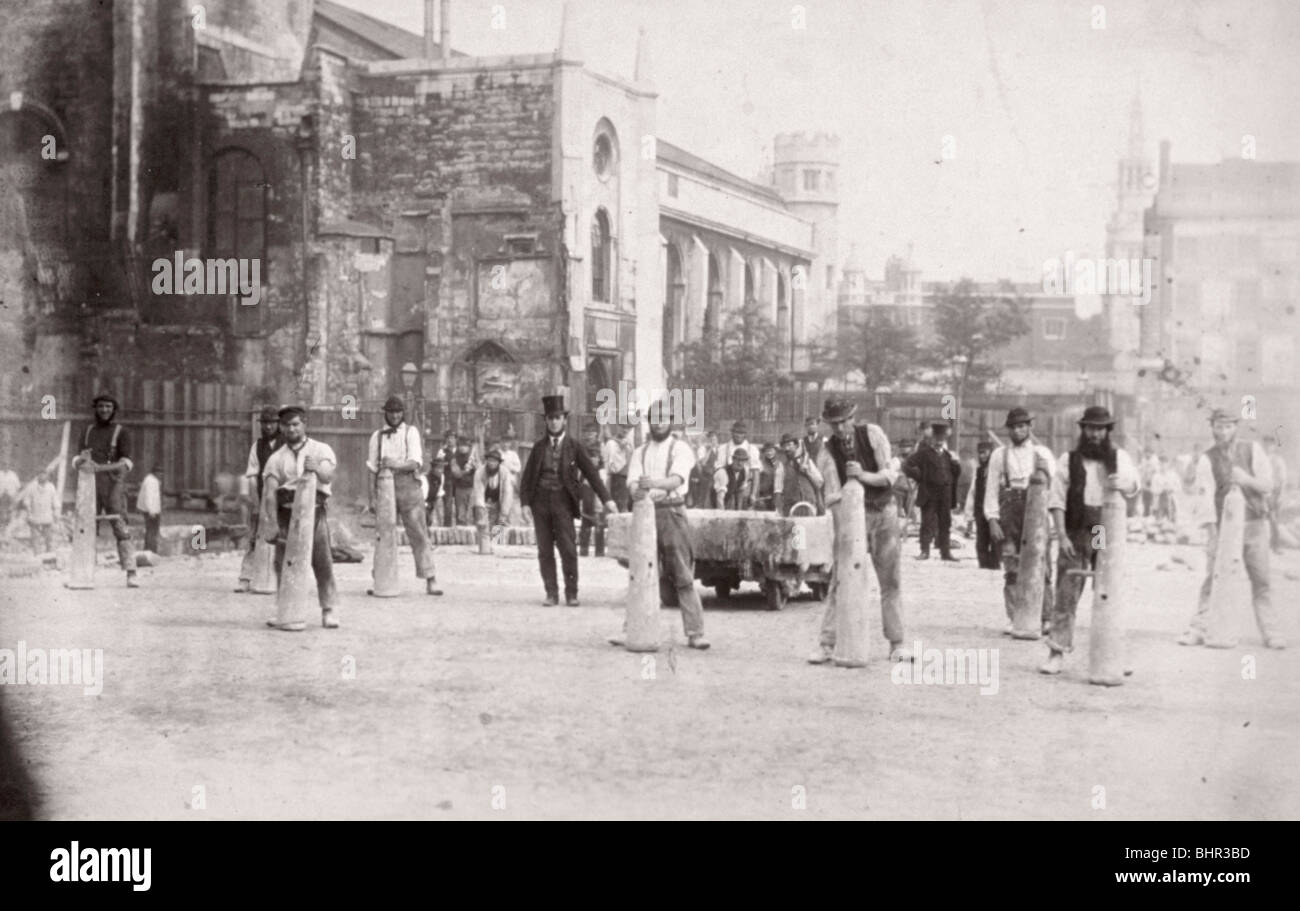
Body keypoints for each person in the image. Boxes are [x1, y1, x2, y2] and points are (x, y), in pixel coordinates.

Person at [809, 398, 912, 664]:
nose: (841, 428)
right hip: (852, 518)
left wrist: (861, 475)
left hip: (884, 512)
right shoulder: (827, 452)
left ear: (853, 418)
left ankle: (897, 643)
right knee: (840, 580)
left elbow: (888, 476)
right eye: (835, 424)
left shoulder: (873, 434)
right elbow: (832, 498)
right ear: (829, 425)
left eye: (845, 421)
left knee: (891, 581)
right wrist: (844, 532)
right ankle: (827, 643)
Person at [1040, 405, 1140, 674]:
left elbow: (1134, 485)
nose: (1095, 434)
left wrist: (1125, 483)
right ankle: (1056, 652)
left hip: (1101, 532)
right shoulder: (1068, 460)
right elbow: (1056, 501)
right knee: (1066, 592)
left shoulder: (1118, 458)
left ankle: (1113, 651)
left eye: (1100, 429)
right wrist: (1061, 536)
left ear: (1107, 431)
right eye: (1090, 428)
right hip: (1074, 530)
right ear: (1083, 429)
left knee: (1107, 590)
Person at [1176, 408, 1283, 650]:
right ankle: (1199, 628)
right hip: (1224, 529)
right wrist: (1213, 535)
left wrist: (1246, 479)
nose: (1222, 431)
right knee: (1213, 577)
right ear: (1212, 428)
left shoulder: (1252, 449)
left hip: (1254, 524)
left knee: (1261, 580)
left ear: (1235, 427)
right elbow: (1204, 500)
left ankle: (1271, 632)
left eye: (1227, 426)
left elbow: (1267, 485)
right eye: (1218, 426)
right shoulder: (1207, 458)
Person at [608, 399, 709, 650]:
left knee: (682, 574)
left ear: (670, 421)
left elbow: (676, 480)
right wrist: (638, 491)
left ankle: (695, 632)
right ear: (649, 422)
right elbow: (631, 483)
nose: (659, 422)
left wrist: (650, 484)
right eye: (655, 418)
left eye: (664, 418)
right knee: (641, 573)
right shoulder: (640, 451)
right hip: (645, 515)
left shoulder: (681, 448)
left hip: (672, 514)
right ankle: (630, 629)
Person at [519, 394, 616, 606]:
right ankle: (551, 593)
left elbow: (591, 473)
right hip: (540, 504)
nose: (554, 421)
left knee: (568, 549)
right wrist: (525, 504)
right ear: (546, 421)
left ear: (565, 420)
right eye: (550, 418)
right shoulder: (538, 448)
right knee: (545, 551)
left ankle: (571, 593)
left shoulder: (574, 447)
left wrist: (607, 500)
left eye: (558, 417)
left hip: (563, 502)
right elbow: (526, 479)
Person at [261, 405, 340, 630]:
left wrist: (316, 468)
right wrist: (272, 523)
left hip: (313, 510)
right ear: (281, 427)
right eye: (286, 425)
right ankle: (284, 608)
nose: (291, 429)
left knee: (322, 560)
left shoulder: (320, 449)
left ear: (304, 424)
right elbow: (269, 493)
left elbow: (328, 474)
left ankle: (329, 609)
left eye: (296, 424)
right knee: (282, 562)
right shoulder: (276, 458)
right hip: (286, 513)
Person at [984, 408, 1056, 631]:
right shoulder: (999, 455)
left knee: (1040, 565)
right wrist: (992, 519)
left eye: (1022, 426)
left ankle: (1046, 617)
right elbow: (991, 489)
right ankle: (1015, 617)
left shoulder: (1042, 453)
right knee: (1012, 566)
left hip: (1036, 508)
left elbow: (1053, 489)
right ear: (1009, 430)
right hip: (1009, 510)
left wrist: (1050, 522)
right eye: (1014, 427)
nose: (1018, 430)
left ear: (1030, 427)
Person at [366, 395, 441, 596]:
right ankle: (381, 579)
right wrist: (372, 497)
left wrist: (395, 464)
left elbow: (415, 462)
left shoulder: (411, 432)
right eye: (391, 412)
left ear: (403, 413)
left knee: (418, 533)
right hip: (384, 488)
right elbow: (372, 469)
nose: (395, 415)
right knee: (384, 534)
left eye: (398, 412)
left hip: (408, 486)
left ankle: (430, 578)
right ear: (386, 413)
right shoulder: (377, 436)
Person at [72, 393, 139, 587]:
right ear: (96, 408)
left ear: (114, 409)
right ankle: (83, 575)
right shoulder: (86, 431)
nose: (104, 410)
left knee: (120, 527)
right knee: (85, 529)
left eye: (108, 407)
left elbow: (126, 463)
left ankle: (131, 573)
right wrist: (81, 462)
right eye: (101, 406)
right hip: (88, 487)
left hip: (112, 485)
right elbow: (76, 459)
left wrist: (101, 468)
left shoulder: (121, 432)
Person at [236, 406, 282, 592]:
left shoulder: (287, 444)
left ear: (278, 424)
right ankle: (245, 578)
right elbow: (252, 476)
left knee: (283, 539)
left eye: (272, 423)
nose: (269, 427)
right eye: (265, 423)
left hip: (283, 497)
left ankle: (281, 582)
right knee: (255, 538)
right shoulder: (258, 446)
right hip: (264, 497)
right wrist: (256, 502)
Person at [904, 421, 961, 561]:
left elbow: (956, 474)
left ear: (944, 440)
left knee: (945, 523)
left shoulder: (948, 456)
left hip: (945, 494)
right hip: (929, 494)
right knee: (927, 523)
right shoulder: (924, 453)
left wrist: (956, 464)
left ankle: (945, 552)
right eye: (937, 438)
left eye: (942, 439)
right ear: (932, 438)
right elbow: (906, 465)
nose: (939, 441)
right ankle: (925, 551)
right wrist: (920, 477)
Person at [963, 440, 999, 570]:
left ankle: (995, 565)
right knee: (981, 541)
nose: (982, 456)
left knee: (995, 540)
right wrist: (969, 515)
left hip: (995, 512)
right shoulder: (978, 471)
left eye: (985, 453)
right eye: (980, 453)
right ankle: (983, 565)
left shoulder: (998, 470)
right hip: (980, 511)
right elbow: (973, 492)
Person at [473, 446, 519, 529]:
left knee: (498, 533)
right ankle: (485, 540)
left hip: (499, 504)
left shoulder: (505, 473)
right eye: (489, 460)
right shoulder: (479, 472)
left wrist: (503, 514)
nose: (491, 463)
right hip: (483, 504)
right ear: (486, 461)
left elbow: (507, 494)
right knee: (483, 530)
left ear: (498, 463)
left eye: (494, 461)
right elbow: (478, 493)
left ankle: (497, 540)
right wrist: (481, 511)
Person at [578, 426, 607, 558]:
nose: (589, 435)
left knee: (599, 514)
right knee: (586, 513)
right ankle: (583, 549)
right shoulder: (580, 448)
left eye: (592, 433)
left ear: (596, 434)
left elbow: (605, 463)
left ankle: (599, 550)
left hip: (600, 479)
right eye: (587, 433)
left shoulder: (602, 447)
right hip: (585, 481)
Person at [715, 421, 762, 500]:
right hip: (727, 487)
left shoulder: (752, 449)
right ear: (732, 433)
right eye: (736, 432)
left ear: (745, 434)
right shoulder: (723, 448)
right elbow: (719, 471)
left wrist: (753, 494)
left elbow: (755, 474)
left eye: (741, 433)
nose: (739, 435)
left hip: (746, 488)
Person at [779, 432, 824, 515]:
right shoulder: (782, 466)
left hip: (809, 506)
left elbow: (819, 482)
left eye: (789, 445)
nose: (787, 448)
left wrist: (807, 472)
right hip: (790, 508)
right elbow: (778, 489)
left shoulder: (807, 462)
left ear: (796, 446)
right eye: (784, 446)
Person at [22, 470, 60, 555]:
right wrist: (29, 513)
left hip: (47, 516)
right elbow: (26, 501)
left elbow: (55, 501)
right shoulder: (31, 487)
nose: (42, 476)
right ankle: (37, 555)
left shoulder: (51, 487)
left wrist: (56, 512)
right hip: (35, 515)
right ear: (37, 476)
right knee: (35, 538)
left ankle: (49, 554)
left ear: (47, 476)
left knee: (49, 538)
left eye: (44, 474)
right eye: (40, 474)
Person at [447, 437, 477, 526]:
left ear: (469, 447)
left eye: (465, 446)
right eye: (461, 445)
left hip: (473, 488)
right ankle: (461, 535)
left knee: (473, 513)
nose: (463, 448)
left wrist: (474, 466)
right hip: (460, 489)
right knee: (461, 515)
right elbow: (457, 474)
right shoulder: (454, 459)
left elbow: (480, 472)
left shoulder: (473, 458)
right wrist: (466, 470)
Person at [603, 425, 633, 513]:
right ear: (618, 426)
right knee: (618, 512)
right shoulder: (612, 444)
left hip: (627, 480)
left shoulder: (628, 443)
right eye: (623, 427)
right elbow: (615, 469)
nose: (625, 430)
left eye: (628, 428)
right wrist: (622, 450)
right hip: (617, 481)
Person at [1266, 434, 1287, 553]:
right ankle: (1267, 545)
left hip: (1274, 493)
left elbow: (1283, 479)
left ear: (1274, 446)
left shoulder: (1278, 460)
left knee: (1274, 520)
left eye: (1270, 445)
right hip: (1263, 492)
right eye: (1265, 444)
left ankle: (1276, 545)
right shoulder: (1261, 459)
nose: (1267, 447)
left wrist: (1280, 495)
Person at [687, 431, 719, 508]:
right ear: (708, 441)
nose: (713, 442)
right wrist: (709, 450)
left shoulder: (718, 450)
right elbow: (703, 462)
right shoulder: (703, 449)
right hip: (704, 474)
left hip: (714, 473)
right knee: (703, 494)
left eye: (715, 440)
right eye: (711, 440)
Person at [137, 465, 163, 554]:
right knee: (152, 531)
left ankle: (149, 550)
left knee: (151, 530)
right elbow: (148, 497)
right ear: (155, 472)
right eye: (159, 473)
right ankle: (151, 550)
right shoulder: (151, 481)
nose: (161, 475)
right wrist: (151, 510)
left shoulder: (152, 480)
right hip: (151, 510)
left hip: (152, 509)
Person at [754, 442, 784, 512]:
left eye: (771, 450)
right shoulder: (760, 463)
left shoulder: (779, 464)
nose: (769, 453)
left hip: (776, 495)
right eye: (767, 451)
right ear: (764, 452)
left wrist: (777, 496)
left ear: (775, 451)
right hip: (762, 496)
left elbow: (779, 482)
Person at [425, 450, 446, 528]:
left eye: (442, 468)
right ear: (433, 469)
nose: (441, 470)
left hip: (433, 502)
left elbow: (439, 494)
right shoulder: (425, 479)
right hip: (424, 503)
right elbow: (422, 498)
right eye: (438, 468)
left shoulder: (442, 477)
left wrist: (437, 510)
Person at [0, 466, 18, 537]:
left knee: (10, 515)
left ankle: (8, 533)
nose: (5, 466)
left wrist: (13, 497)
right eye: (4, 464)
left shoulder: (13, 475)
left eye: (7, 464)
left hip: (10, 498)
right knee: (2, 514)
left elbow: (17, 486)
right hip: (0, 498)